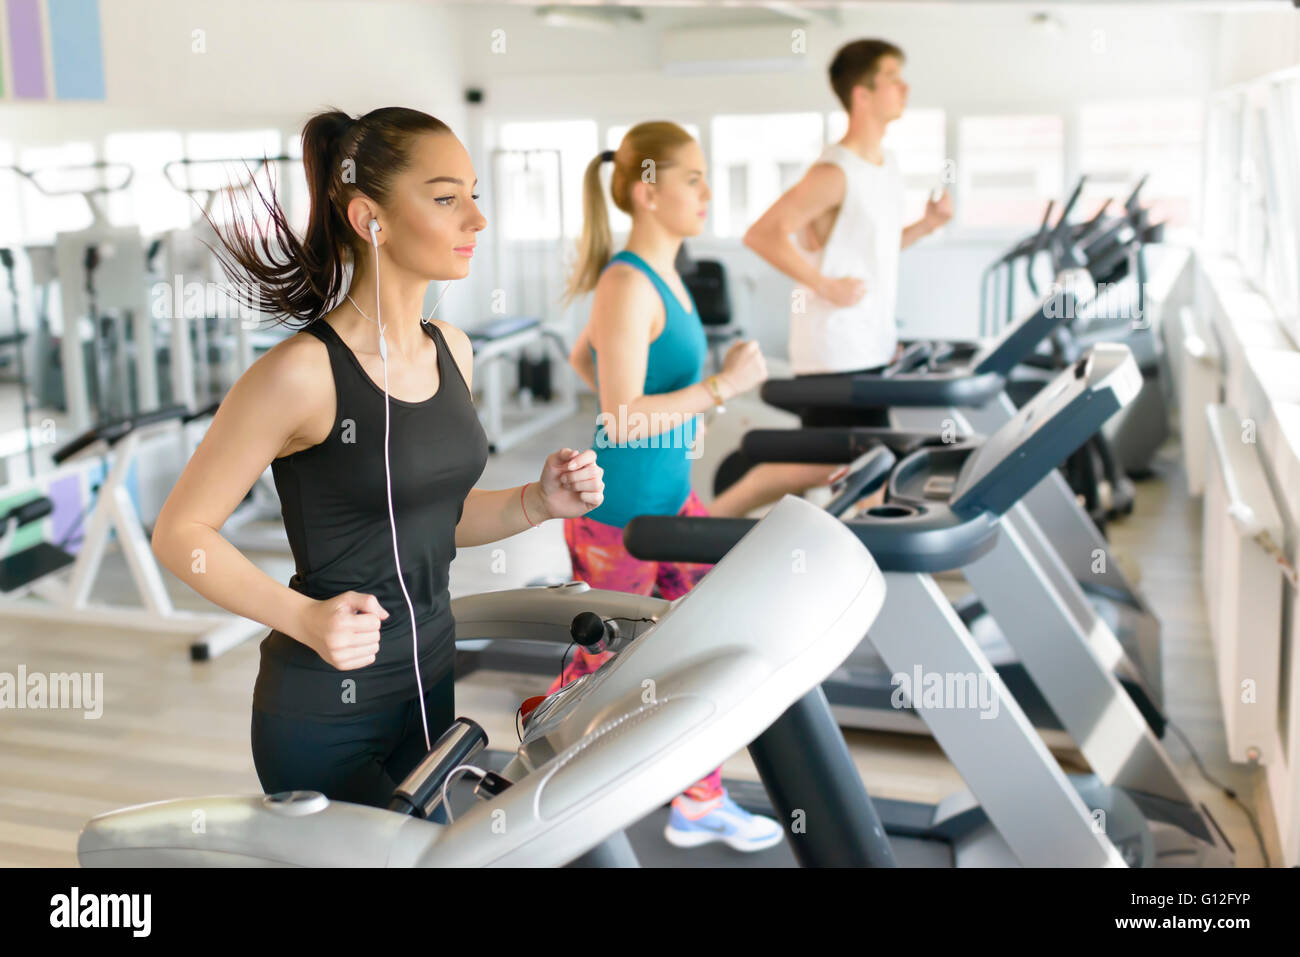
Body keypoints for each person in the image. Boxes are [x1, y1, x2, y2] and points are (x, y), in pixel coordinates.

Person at [149, 107, 604, 809]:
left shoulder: (452, 349)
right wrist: (303, 617)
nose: (476, 221)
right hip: (325, 708)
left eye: (474, 195)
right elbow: (180, 534)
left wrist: (537, 502)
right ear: (371, 219)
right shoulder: (302, 373)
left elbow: (431, 521)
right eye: (447, 198)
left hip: (428, 688)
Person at [558, 121, 782, 853]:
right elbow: (620, 419)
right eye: (694, 178)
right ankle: (548, 801)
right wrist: (721, 385)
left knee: (703, 644)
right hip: (620, 515)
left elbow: (582, 353)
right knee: (604, 676)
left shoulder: (664, 275)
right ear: (648, 191)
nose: (708, 192)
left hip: (666, 501)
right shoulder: (627, 281)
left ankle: (696, 799)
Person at [709, 39, 955, 519]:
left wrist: (926, 226)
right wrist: (825, 286)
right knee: (859, 462)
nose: (904, 87)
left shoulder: (886, 166)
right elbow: (762, 234)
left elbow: (874, 255)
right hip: (836, 348)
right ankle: (707, 525)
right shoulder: (834, 171)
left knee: (828, 461)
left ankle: (712, 522)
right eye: (892, 77)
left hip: (870, 344)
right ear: (862, 94)